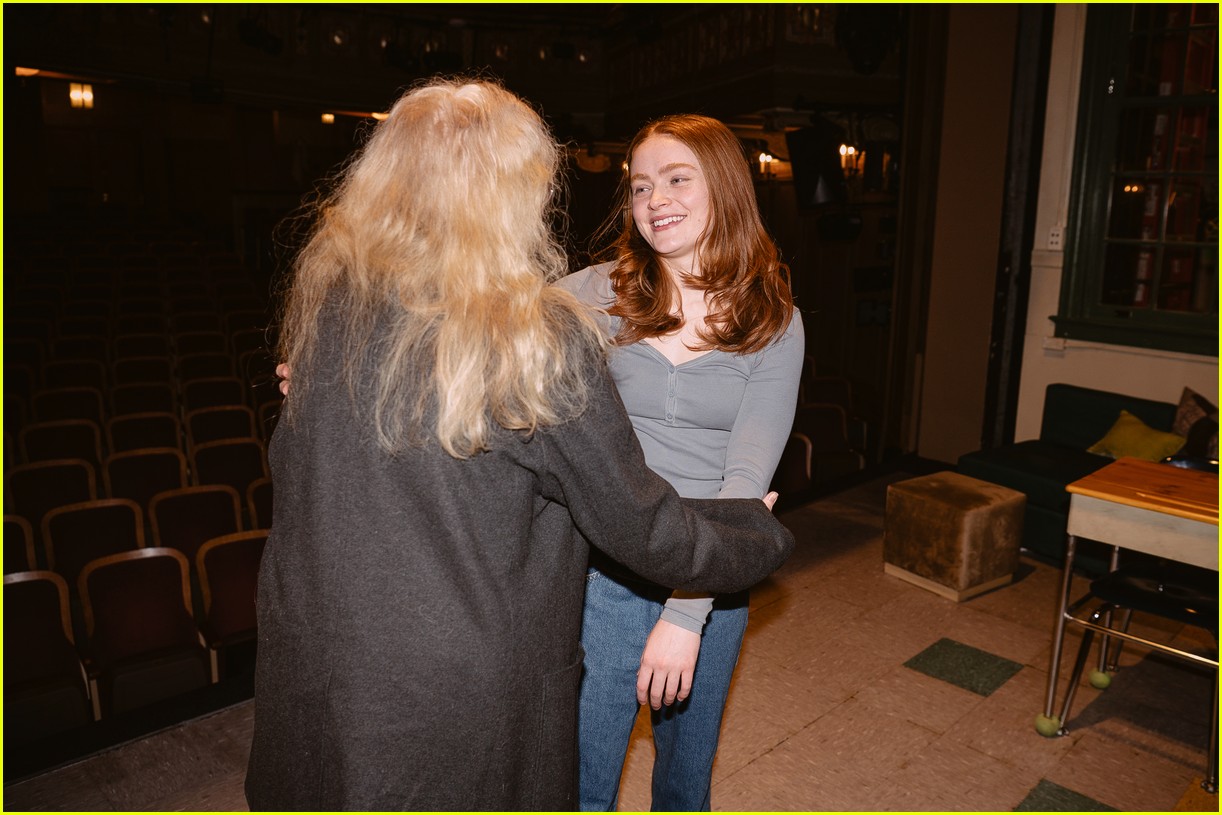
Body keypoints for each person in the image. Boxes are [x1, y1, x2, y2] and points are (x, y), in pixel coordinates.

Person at [243, 79, 795, 812]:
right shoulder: (536, 337)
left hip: (318, 676)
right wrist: (757, 535)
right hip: (451, 702)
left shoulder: (332, 303)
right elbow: (642, 524)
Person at [557, 113, 804, 811]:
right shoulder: (600, 293)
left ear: (722, 186)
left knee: (683, 787)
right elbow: (479, 327)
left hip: (713, 581)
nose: (653, 199)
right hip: (606, 571)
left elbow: (743, 490)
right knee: (584, 783)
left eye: (675, 179)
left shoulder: (774, 321)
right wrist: (340, 365)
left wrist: (685, 617)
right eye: (640, 186)